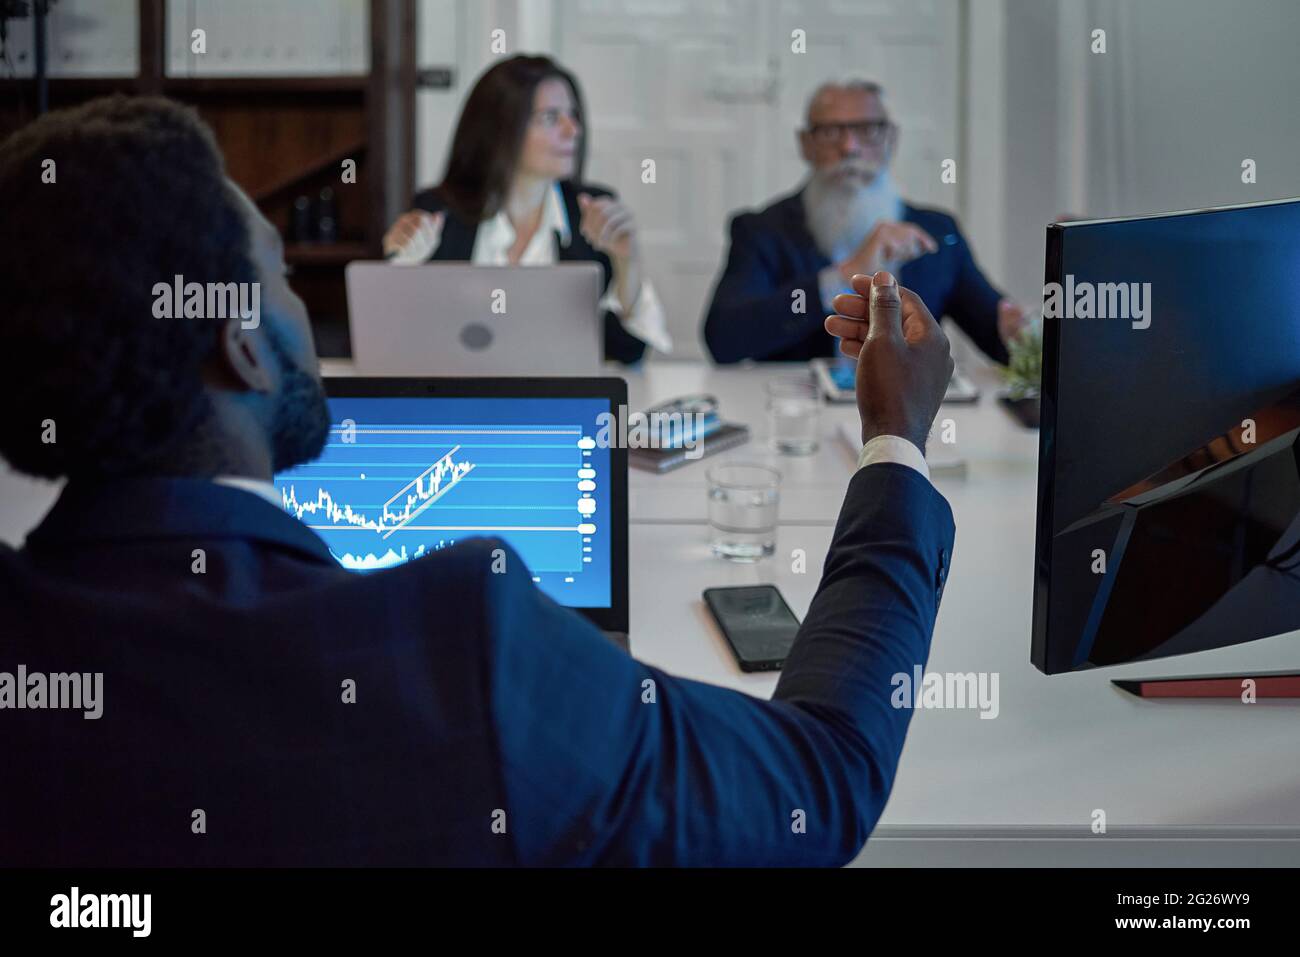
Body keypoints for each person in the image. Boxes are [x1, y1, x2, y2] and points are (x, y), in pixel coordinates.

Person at [0, 96, 955, 866]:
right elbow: (818, 784)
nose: (305, 306)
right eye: (283, 275)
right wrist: (895, 441)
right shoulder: (463, 643)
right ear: (242, 348)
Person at [703, 78, 1026, 364]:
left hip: (912, 416)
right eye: (831, 132)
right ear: (806, 144)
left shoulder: (938, 231)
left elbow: (997, 336)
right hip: (802, 412)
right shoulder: (762, 230)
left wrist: (1024, 333)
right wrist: (846, 274)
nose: (849, 147)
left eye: (867, 130)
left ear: (891, 139)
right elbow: (724, 340)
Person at [383, 55, 671, 364]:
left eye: (572, 115)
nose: (573, 130)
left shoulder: (593, 213)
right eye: (550, 118)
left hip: (559, 405)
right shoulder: (439, 212)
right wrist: (402, 263)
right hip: (464, 402)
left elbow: (628, 351)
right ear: (500, 129)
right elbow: (398, 343)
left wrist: (627, 261)